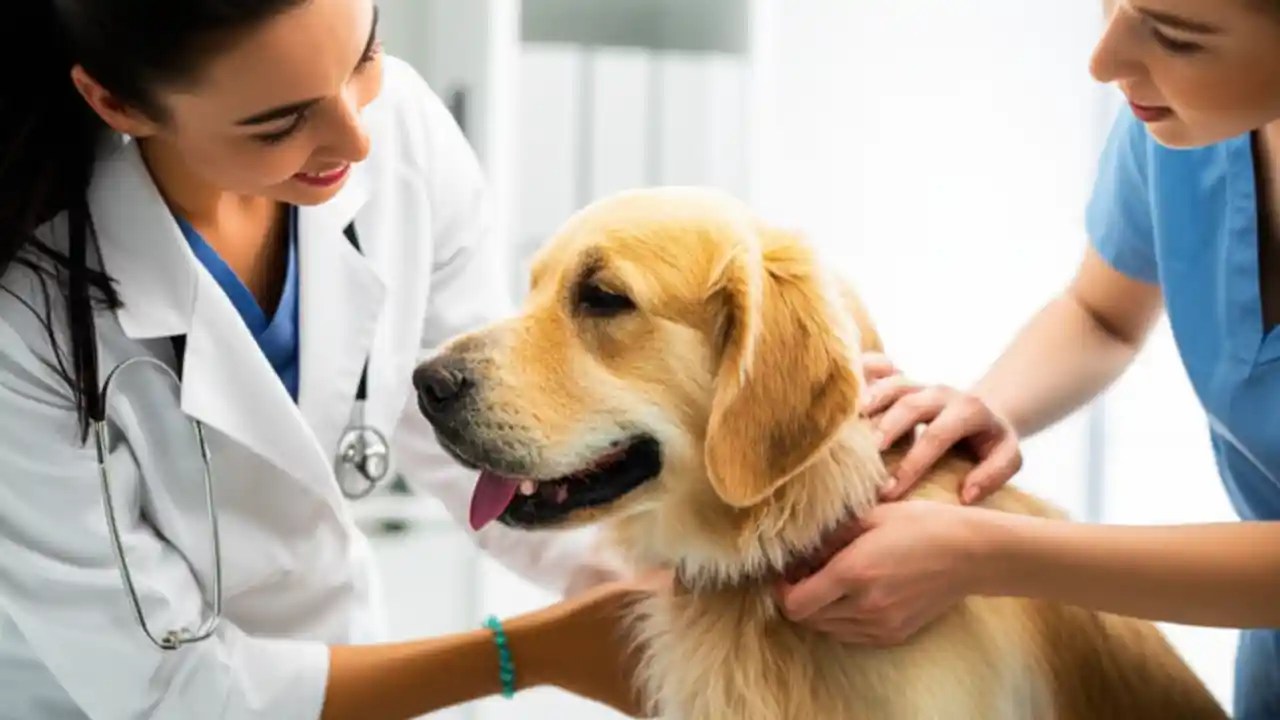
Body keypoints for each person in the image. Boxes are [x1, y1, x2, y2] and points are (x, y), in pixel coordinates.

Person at [0, 1, 656, 718]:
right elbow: (165, 688)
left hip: (348, 660)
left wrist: (660, 576)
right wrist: (527, 654)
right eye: (280, 123)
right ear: (117, 102)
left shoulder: (402, 130)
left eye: (364, 55)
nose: (357, 138)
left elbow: (494, 429)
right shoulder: (27, 312)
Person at [776, 1, 1280, 718]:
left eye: (1174, 36)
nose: (1104, 62)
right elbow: (1100, 315)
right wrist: (983, 409)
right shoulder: (1182, 123)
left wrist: (991, 556)